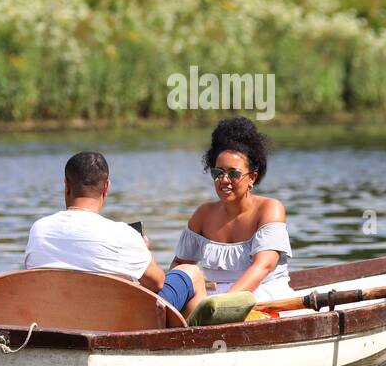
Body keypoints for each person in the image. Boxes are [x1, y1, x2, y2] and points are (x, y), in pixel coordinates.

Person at [25, 151, 207, 316]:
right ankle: (187, 345)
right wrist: (143, 250)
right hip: (114, 319)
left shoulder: (39, 230)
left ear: (66, 185)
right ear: (106, 188)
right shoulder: (123, 234)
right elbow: (157, 283)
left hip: (57, 315)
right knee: (192, 272)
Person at [170, 117, 294, 303]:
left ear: (252, 177)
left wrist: (223, 306)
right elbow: (180, 266)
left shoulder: (270, 209)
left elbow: (263, 266)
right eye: (218, 173)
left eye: (233, 173)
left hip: (262, 299)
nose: (224, 180)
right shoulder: (203, 214)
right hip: (211, 303)